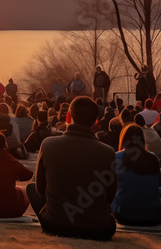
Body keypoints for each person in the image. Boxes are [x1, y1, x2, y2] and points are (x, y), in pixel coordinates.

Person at [27, 96, 117, 240]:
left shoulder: (48, 144)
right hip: (98, 228)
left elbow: (40, 190)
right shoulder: (108, 152)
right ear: (95, 121)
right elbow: (110, 196)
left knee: (31, 189)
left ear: (68, 116)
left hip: (55, 224)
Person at [111, 124, 161, 226]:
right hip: (154, 218)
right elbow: (160, 183)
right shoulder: (152, 157)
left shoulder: (117, 157)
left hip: (124, 216)